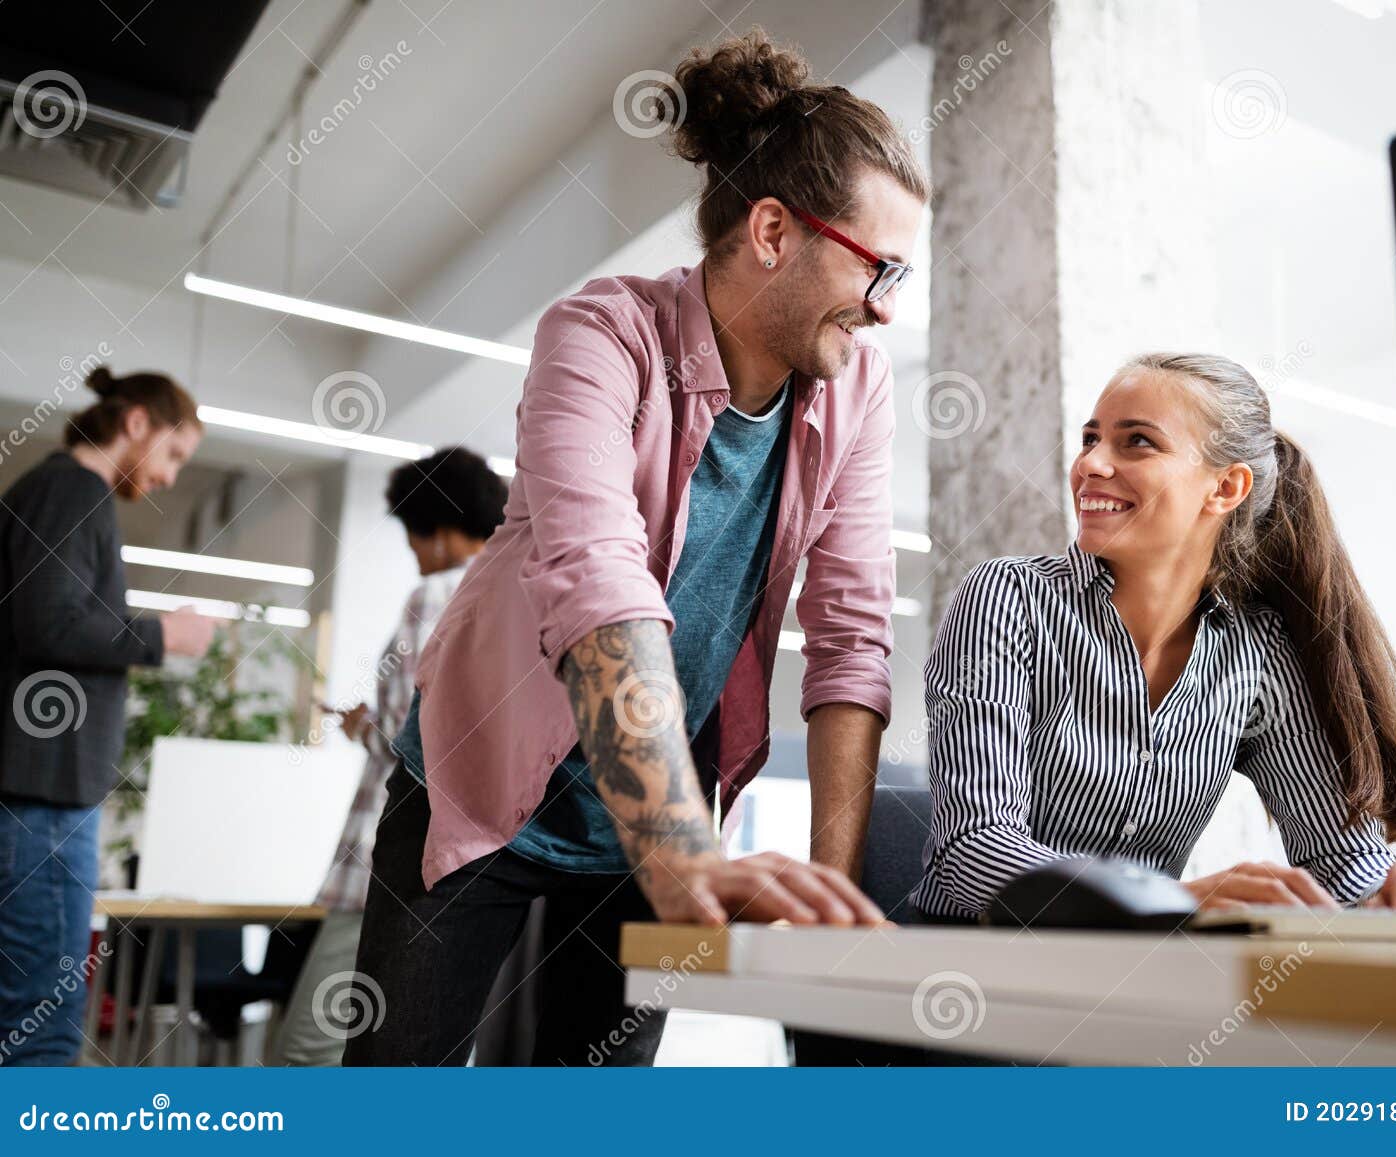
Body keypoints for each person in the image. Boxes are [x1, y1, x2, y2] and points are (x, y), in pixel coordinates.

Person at [346, 27, 926, 1067]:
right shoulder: (602, 334)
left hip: (650, 811)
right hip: (482, 783)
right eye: (879, 268)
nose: (887, 310)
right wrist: (677, 846)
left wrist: (832, 904)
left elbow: (848, 631)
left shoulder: (855, 386)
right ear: (770, 230)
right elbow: (597, 579)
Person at [912, 353, 1396, 921]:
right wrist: (1170, 900)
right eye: (1091, 438)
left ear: (1225, 488)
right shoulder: (1006, 598)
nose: (1090, 464)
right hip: (973, 964)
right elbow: (972, 853)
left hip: (1133, 975)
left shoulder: (1256, 650)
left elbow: (1341, 863)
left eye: (1135, 441)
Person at [0, 366, 215, 1065]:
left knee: (27, 1014)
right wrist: (164, 635)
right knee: (44, 1022)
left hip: (40, 801)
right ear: (137, 424)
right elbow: (51, 624)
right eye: (175, 453)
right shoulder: (71, 490)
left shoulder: (59, 492)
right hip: (46, 804)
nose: (171, 476)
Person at [273, 448, 506, 1066]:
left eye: (413, 537)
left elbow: (417, 744)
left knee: (305, 1056)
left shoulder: (435, 595)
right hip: (471, 871)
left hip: (389, 862)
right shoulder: (520, 594)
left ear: (437, 527)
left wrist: (366, 726)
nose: (414, 553)